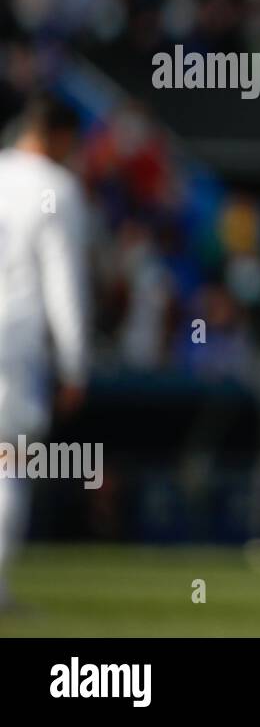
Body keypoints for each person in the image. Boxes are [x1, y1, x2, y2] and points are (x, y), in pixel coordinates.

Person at [0, 94, 91, 610]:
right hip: (13, 339)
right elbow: (64, 282)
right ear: (58, 136)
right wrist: (75, 362)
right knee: (9, 460)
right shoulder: (57, 188)